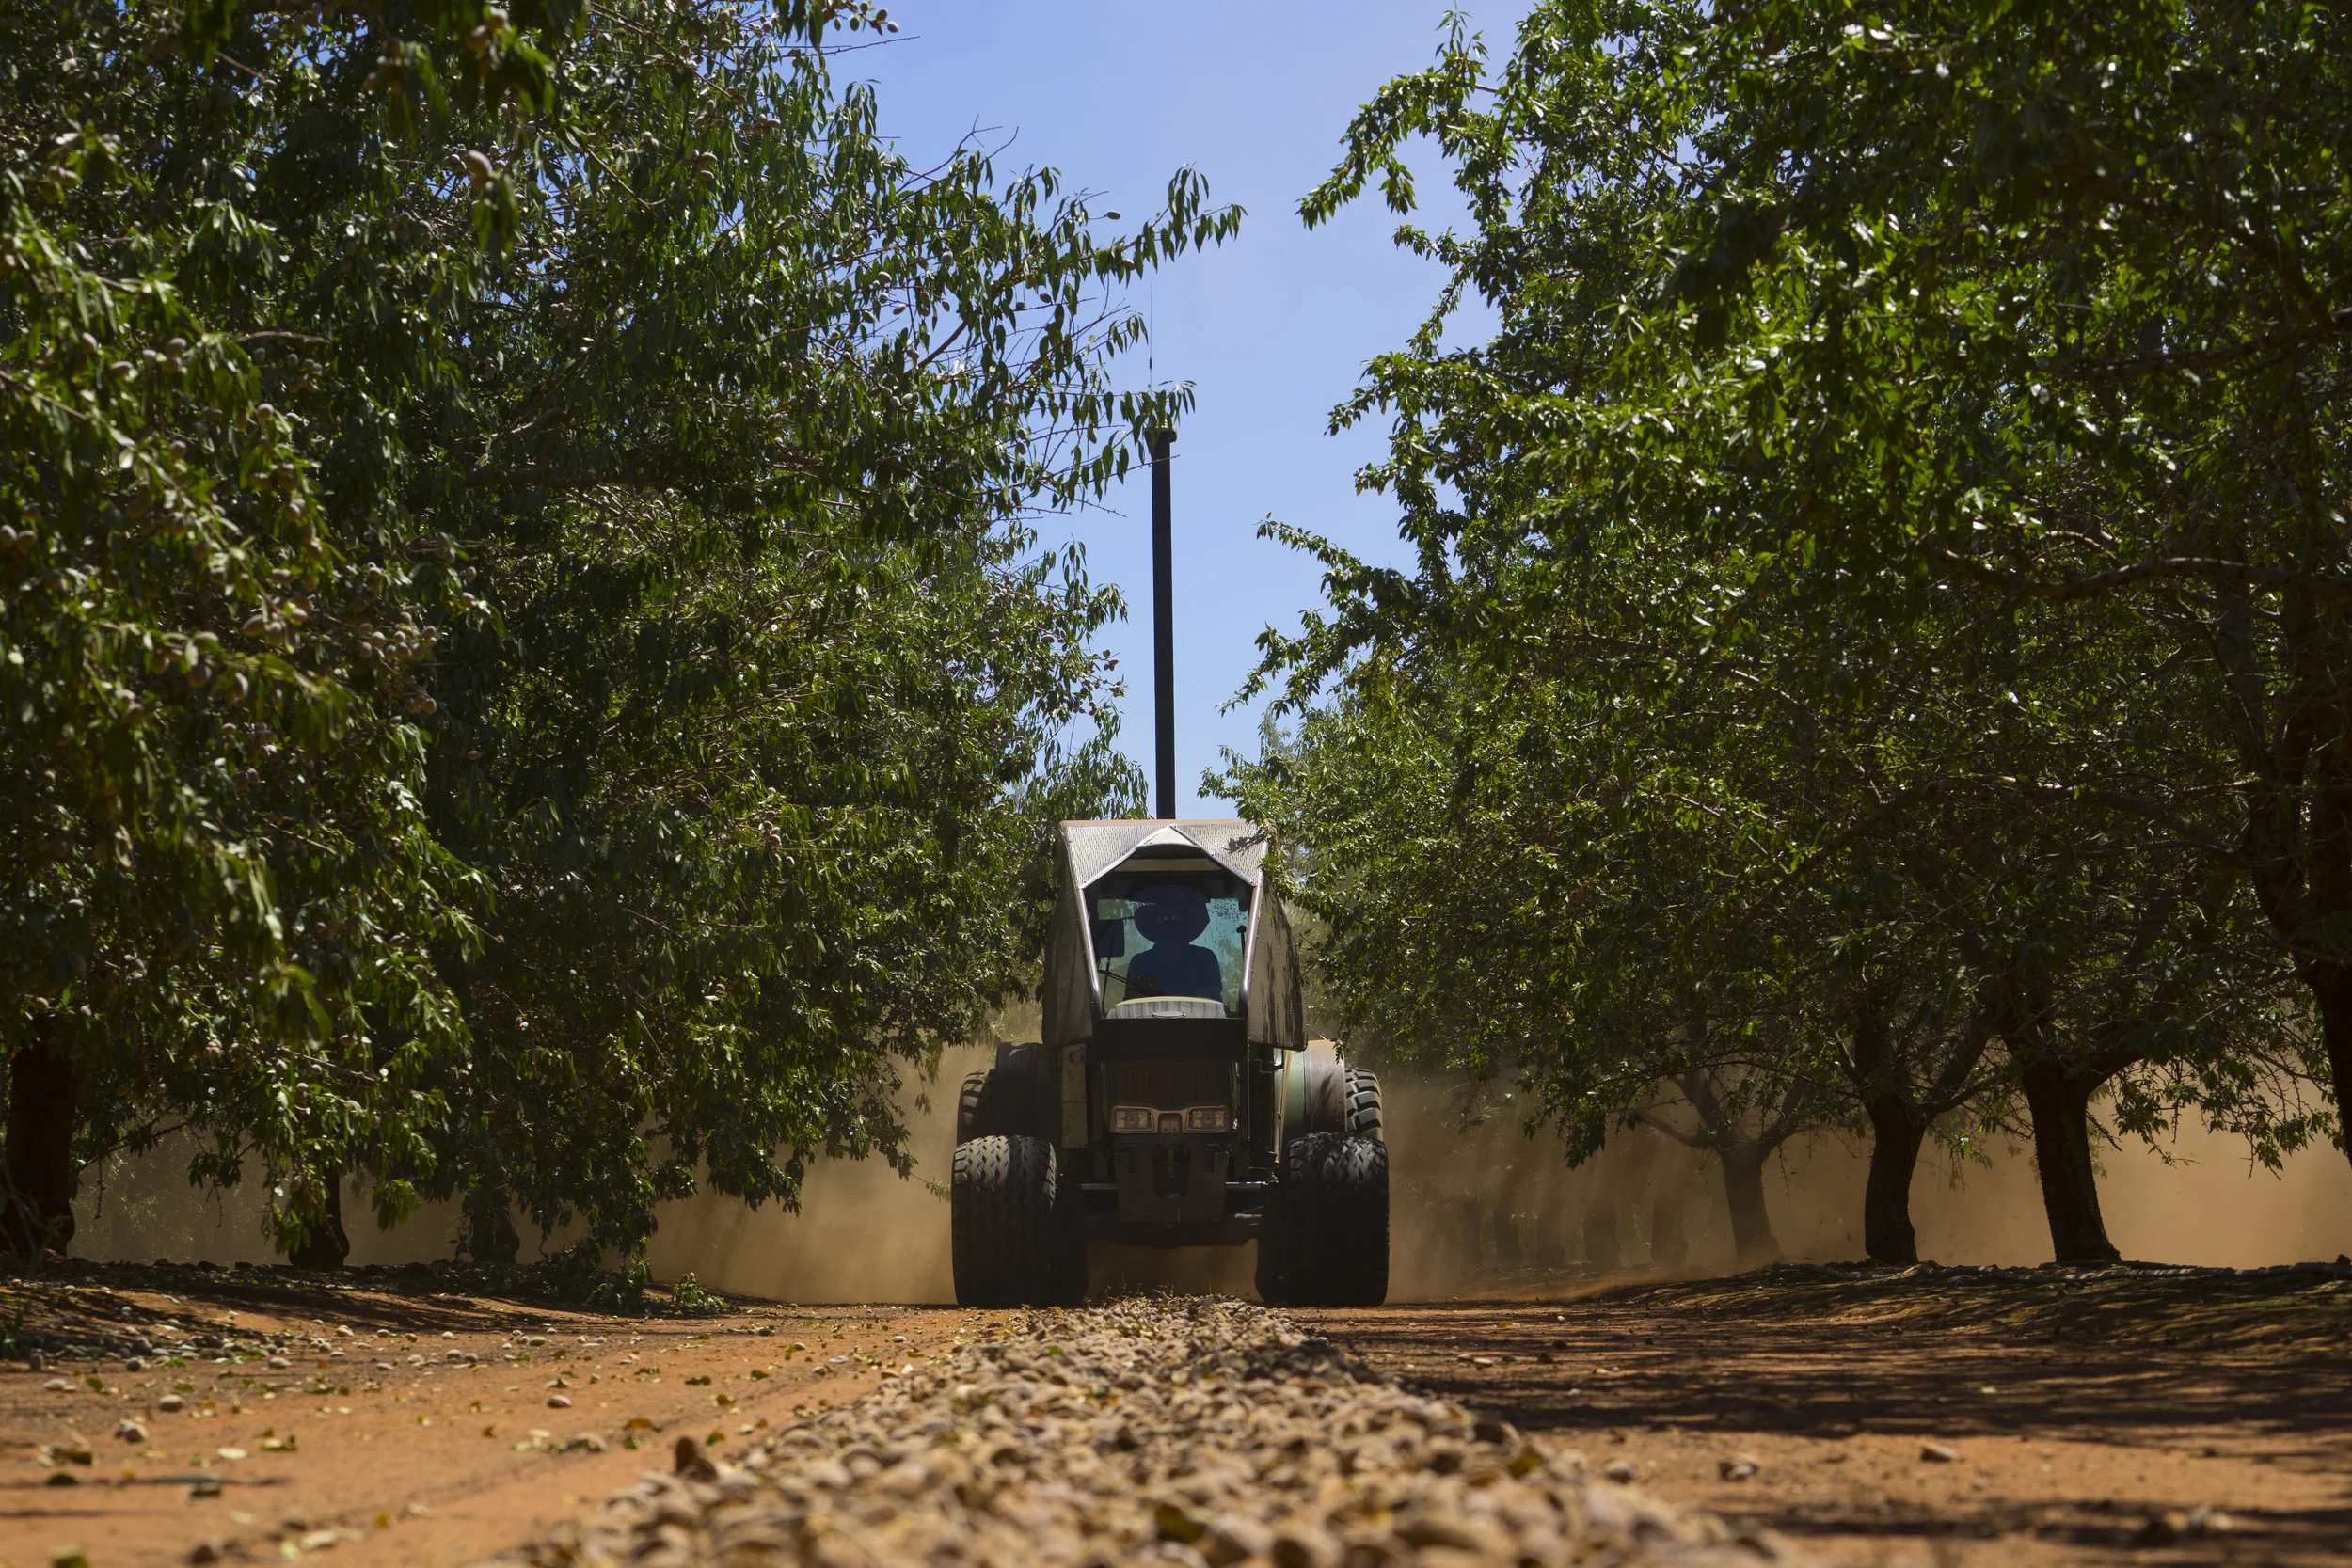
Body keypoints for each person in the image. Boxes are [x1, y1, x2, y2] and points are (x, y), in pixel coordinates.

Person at [1122, 883, 1225, 1002]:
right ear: (1154, 925)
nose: (1170, 925)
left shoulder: (1205, 959)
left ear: (1187, 924)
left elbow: (1214, 1002)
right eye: (1163, 919)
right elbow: (1131, 1003)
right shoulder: (1139, 963)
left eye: (1177, 918)